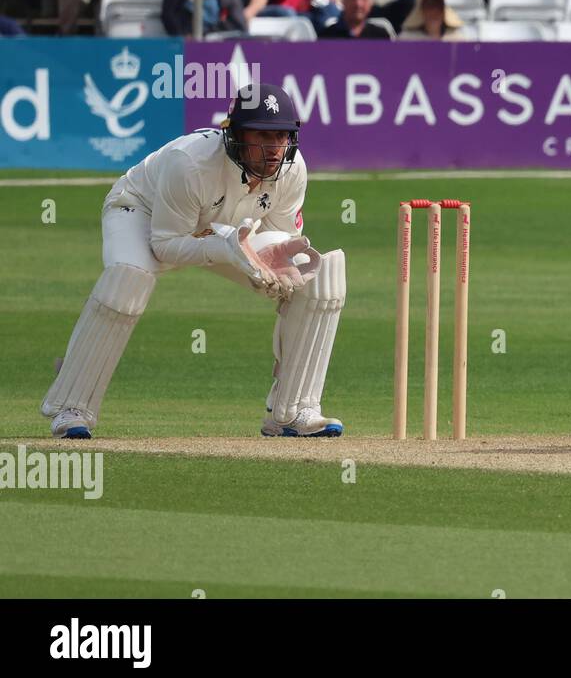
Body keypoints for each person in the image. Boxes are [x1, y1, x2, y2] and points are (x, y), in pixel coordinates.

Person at [40, 83, 348, 440]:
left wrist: (275, 273)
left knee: (314, 277)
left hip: (226, 230)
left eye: (282, 135)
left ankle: (293, 410)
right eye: (262, 134)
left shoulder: (293, 171)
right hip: (141, 212)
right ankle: (71, 405)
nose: (275, 147)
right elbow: (166, 247)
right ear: (234, 134)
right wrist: (226, 249)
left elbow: (282, 242)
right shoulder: (190, 164)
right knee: (129, 279)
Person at [398, 0, 465, 39]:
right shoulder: (407, 39)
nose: (434, 12)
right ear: (421, 11)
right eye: (429, 6)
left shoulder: (456, 38)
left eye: (438, 6)